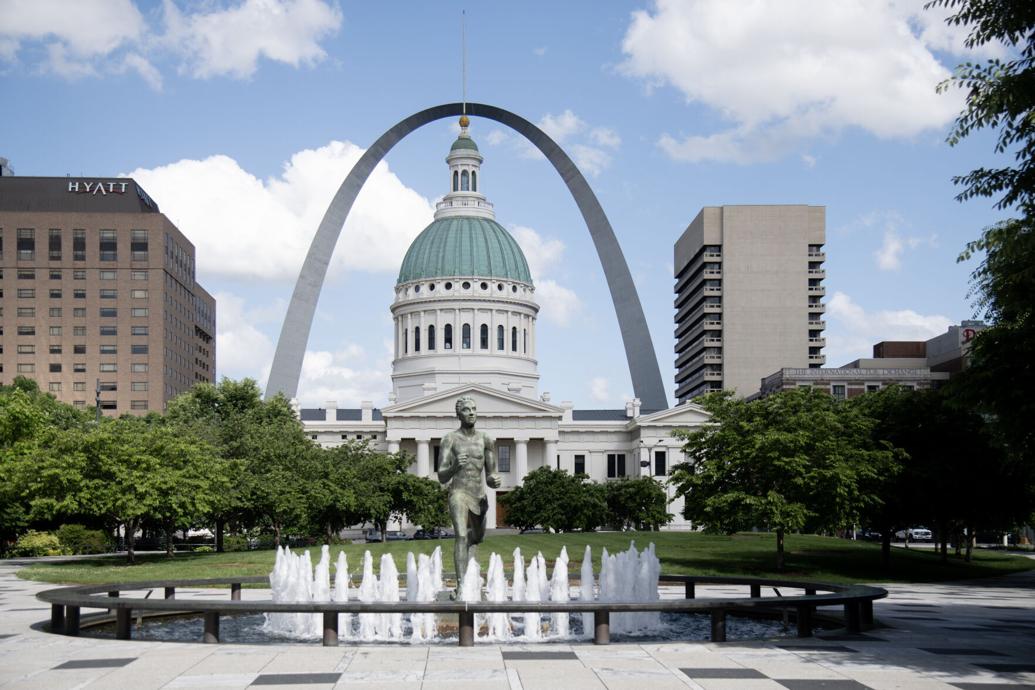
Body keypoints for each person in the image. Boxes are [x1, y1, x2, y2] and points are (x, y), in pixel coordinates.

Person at [437, 395, 501, 590]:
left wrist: (494, 480)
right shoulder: (450, 439)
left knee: (478, 537)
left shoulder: (485, 440)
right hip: (458, 492)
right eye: (466, 409)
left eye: (473, 409)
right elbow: (441, 476)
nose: (471, 412)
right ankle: (461, 586)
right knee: (461, 536)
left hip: (478, 494)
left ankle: (468, 563)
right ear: (458, 414)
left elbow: (491, 474)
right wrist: (454, 467)